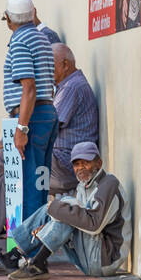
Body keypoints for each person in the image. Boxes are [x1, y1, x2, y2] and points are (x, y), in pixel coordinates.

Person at [0, 0, 58, 275]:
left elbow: (28, 89)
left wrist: (21, 129)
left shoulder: (20, 40)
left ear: (8, 19)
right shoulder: (41, 37)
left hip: (31, 119)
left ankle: (24, 256)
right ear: (33, 13)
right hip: (45, 116)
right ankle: (28, 252)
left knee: (27, 189)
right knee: (38, 185)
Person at [4, 142, 129, 280]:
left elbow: (94, 225)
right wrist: (48, 227)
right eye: (76, 164)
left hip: (105, 260)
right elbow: (79, 217)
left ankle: (35, 263)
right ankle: (16, 255)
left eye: (85, 162)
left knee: (63, 207)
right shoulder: (83, 185)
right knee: (63, 208)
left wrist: (55, 208)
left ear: (98, 163)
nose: (80, 168)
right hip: (88, 257)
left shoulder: (109, 184)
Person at [51, 43, 100, 196]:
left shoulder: (72, 87)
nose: (45, 71)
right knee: (4, 162)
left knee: (8, 161)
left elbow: (48, 126)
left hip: (67, 162)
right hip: (60, 160)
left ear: (65, 65)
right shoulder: (67, 85)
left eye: (49, 66)